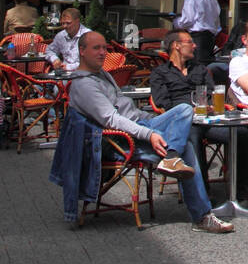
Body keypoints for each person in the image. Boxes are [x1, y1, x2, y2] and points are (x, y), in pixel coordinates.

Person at [67, 30, 234, 233]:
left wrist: (152, 123)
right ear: (82, 51)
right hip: (121, 140)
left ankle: (173, 160)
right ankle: (200, 213)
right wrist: (150, 134)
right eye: (97, 48)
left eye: (104, 48)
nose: (103, 52)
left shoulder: (102, 74)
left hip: (141, 124)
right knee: (186, 135)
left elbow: (130, 111)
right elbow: (112, 120)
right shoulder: (84, 84)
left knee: (184, 111)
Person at [151, 29, 248, 203]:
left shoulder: (200, 69)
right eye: (190, 42)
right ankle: (202, 193)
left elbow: (213, 93)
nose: (195, 45)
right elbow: (162, 103)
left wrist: (212, 106)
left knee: (240, 133)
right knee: (192, 136)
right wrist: (185, 112)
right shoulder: (160, 73)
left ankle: (241, 188)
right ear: (176, 45)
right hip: (183, 123)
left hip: (207, 119)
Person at [174, 0, 221, 65]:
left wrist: (176, 22)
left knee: (195, 68)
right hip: (210, 38)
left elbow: (187, 19)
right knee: (205, 67)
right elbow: (216, 17)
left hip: (197, 37)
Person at [44, 7, 91, 72]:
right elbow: (49, 51)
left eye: (68, 23)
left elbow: (90, 61)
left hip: (83, 74)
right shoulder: (61, 36)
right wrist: (55, 59)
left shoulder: (88, 35)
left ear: (77, 21)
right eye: (63, 23)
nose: (64, 26)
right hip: (64, 73)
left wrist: (69, 67)